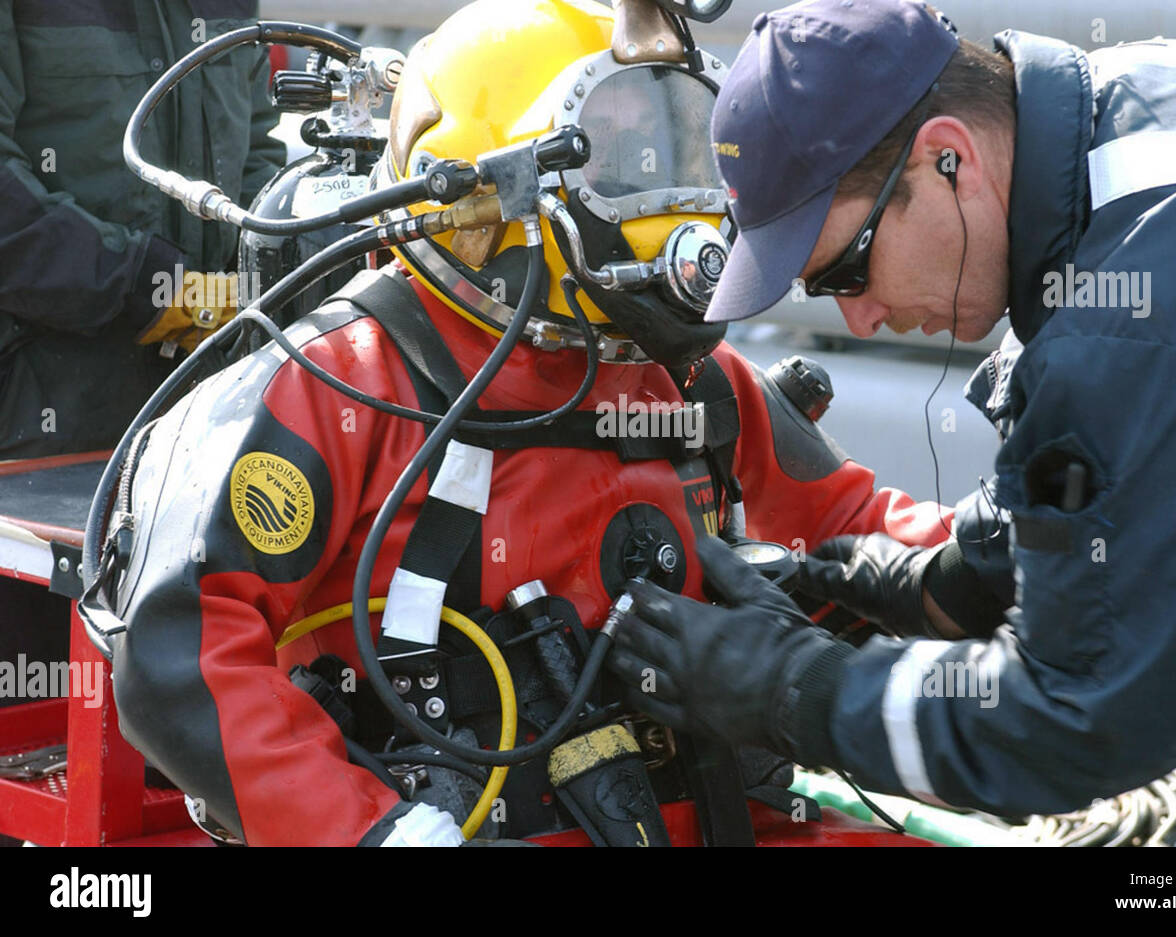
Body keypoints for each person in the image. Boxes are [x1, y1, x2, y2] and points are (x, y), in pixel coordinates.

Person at [91, 0, 950, 846]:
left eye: (678, 143)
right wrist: (378, 834)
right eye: (619, 156)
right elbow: (181, 651)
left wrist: (1012, 560)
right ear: (481, 188)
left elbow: (861, 530)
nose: (671, 202)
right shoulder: (333, 383)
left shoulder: (692, 379)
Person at [609, 0, 1176, 845]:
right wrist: (907, 579)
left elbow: (1071, 728)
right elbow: (1166, 486)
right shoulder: (1157, 99)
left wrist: (793, 688)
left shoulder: (1149, 321)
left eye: (846, 271)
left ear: (950, 158)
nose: (856, 322)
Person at [0, 0, 284, 457]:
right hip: (38, 411)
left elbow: (256, 149)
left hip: (209, 408)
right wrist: (145, 286)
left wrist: (259, 274)